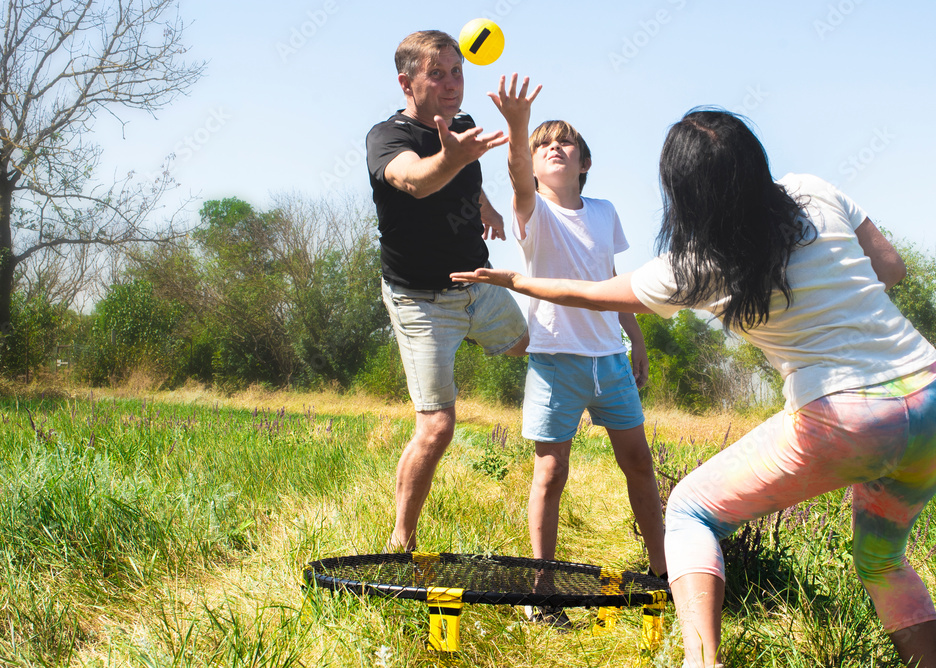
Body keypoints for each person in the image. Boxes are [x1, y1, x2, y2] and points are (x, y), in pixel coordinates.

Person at [451, 109, 936, 667]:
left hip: (847, 417)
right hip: (926, 394)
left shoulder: (695, 265)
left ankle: (701, 660)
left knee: (687, 512)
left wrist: (513, 280)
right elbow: (891, 268)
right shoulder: (811, 189)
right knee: (881, 560)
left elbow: (592, 294)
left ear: (681, 190)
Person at [488, 74, 667, 627]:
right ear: (534, 166)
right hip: (554, 361)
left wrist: (634, 337)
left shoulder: (606, 211)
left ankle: (664, 580)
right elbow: (518, 177)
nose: (555, 149)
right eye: (545, 146)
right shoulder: (532, 213)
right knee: (550, 471)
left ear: (584, 162)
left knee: (640, 464)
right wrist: (519, 126)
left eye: (565, 143)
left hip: (609, 361)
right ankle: (541, 595)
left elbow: (611, 278)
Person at [366, 31, 529, 553]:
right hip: (421, 301)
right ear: (406, 81)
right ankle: (400, 542)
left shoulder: (459, 128)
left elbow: (463, 172)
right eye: (437, 73)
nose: (452, 83)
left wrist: (485, 205)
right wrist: (455, 159)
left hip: (476, 284)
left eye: (457, 71)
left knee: (535, 346)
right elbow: (416, 181)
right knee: (437, 428)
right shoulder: (387, 138)